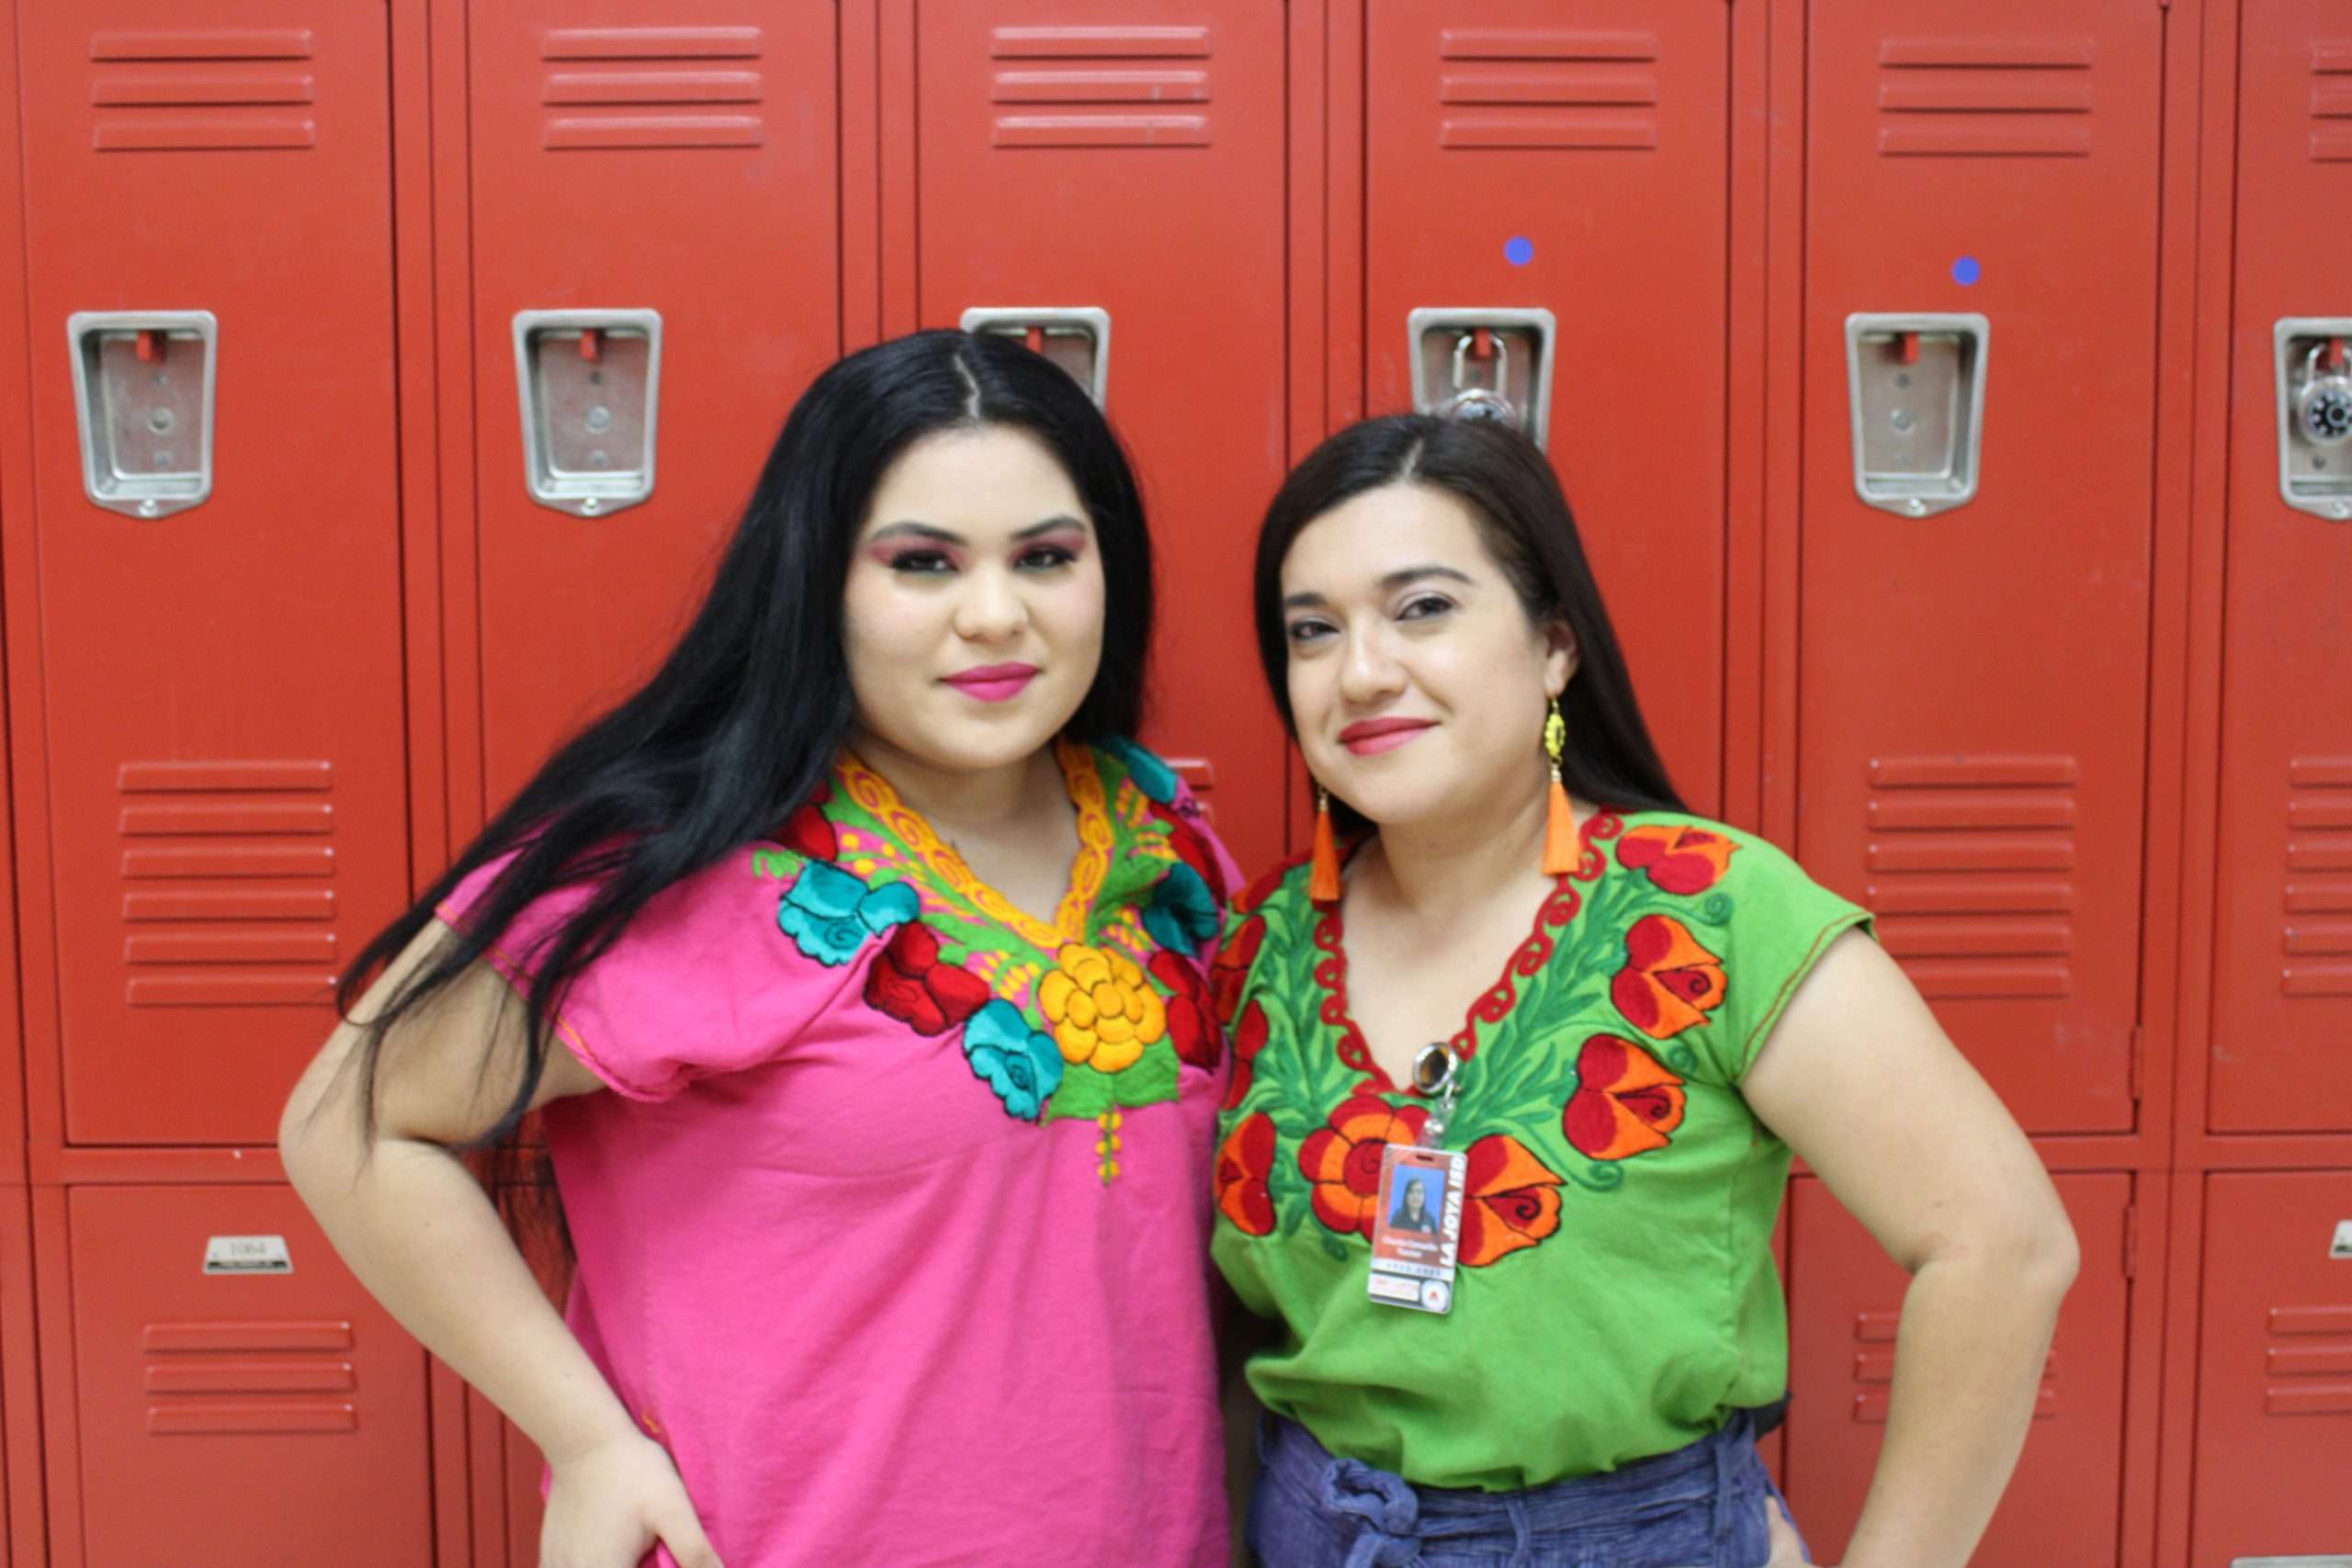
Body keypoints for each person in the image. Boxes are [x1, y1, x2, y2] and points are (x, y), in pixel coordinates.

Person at [280, 330, 1241, 1568]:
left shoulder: (1164, 844)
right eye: (921, 563)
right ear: (820, 581)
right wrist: (588, 1441)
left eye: (1047, 556)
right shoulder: (696, 859)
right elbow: (347, 1123)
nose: (995, 612)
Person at [1207, 414, 2078, 1568]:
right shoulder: (1261, 948)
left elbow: (2001, 1246)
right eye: (1312, 632)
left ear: (1554, 645)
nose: (1361, 672)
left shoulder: (1704, 912)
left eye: (1423, 608)